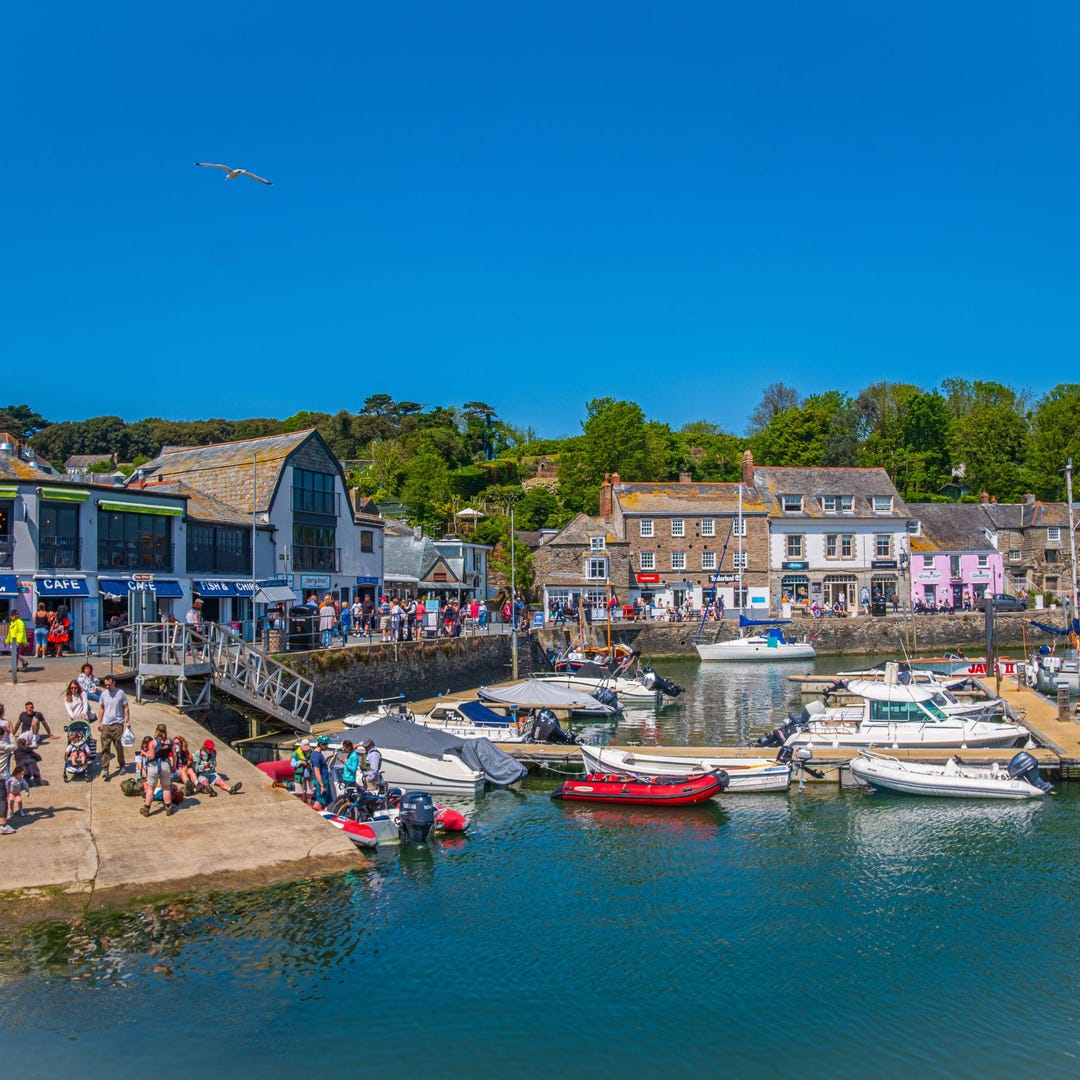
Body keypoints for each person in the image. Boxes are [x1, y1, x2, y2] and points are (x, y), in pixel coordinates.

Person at [97, 674, 131, 781]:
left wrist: (127, 721)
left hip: (118, 724)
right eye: (105, 685)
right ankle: (105, 769)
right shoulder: (103, 694)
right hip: (106, 724)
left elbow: (126, 707)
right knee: (105, 747)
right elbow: (102, 708)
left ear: (114, 683)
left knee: (119, 747)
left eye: (109, 684)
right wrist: (100, 722)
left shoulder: (120, 693)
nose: (107, 686)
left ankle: (122, 765)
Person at [141, 724, 176, 817]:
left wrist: (144, 753)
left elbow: (151, 756)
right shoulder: (171, 742)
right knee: (166, 788)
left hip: (154, 766)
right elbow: (174, 755)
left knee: (151, 788)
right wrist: (174, 765)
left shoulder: (153, 743)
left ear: (157, 731)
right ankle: (168, 808)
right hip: (165, 765)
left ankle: (146, 809)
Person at [310, 736, 332, 808]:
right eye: (326, 745)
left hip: (324, 779)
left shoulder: (319, 754)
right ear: (321, 744)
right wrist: (322, 785)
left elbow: (321, 765)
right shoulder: (316, 755)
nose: (327, 746)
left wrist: (328, 758)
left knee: (327, 800)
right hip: (321, 781)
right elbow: (316, 771)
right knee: (321, 802)